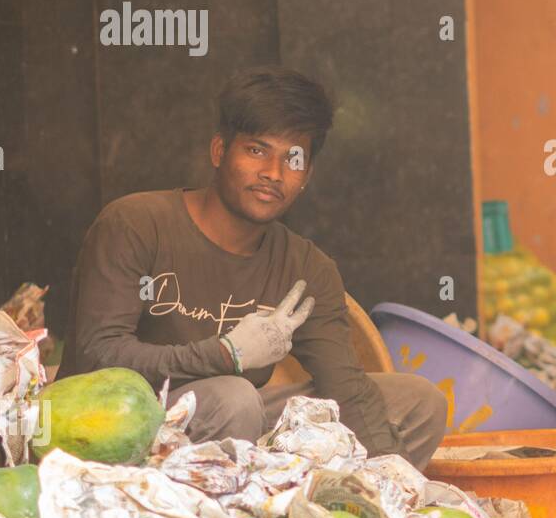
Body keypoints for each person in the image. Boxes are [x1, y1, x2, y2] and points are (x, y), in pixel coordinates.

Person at [59, 67, 447, 468]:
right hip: (116, 425)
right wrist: (225, 355)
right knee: (234, 398)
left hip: (240, 429)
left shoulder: (306, 268)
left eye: (293, 158)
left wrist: (387, 474)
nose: (273, 173)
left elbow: (345, 389)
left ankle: (311, 506)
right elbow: (98, 355)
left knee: (418, 402)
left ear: (307, 176)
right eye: (257, 150)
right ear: (218, 151)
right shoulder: (137, 224)